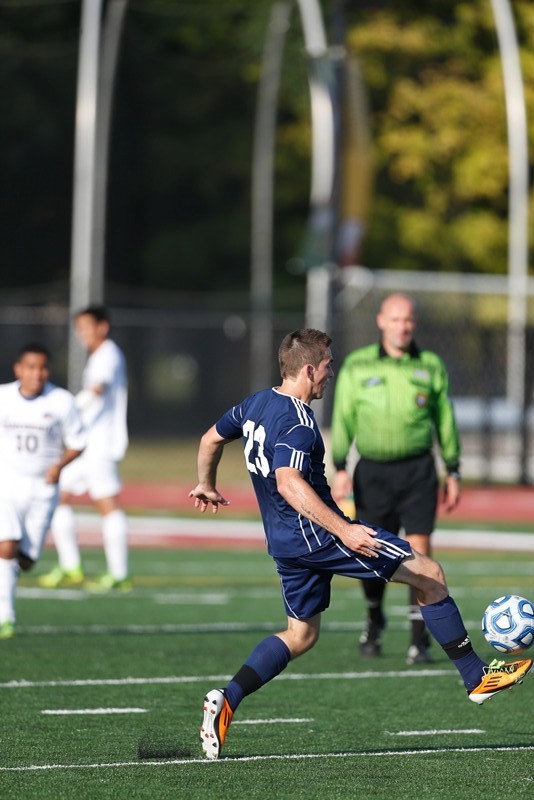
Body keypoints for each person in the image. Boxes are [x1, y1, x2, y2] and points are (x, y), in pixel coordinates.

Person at [189, 328, 532, 760]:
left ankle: (228, 698)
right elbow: (288, 481)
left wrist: (205, 482)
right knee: (430, 575)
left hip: (284, 542)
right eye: (328, 366)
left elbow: (209, 439)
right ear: (310, 369)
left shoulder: (256, 402)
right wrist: (344, 530)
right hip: (319, 536)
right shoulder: (298, 422)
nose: (331, 374)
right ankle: (476, 677)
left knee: (301, 634)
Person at [330, 293, 461, 665]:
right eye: (396, 319)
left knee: (420, 552)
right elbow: (342, 418)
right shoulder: (358, 365)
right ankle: (374, 617)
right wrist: (340, 467)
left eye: (409, 320)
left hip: (419, 471)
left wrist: (452, 468)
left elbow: (446, 421)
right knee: (372, 553)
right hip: (371, 472)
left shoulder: (431, 365)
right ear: (381, 321)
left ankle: (419, 640)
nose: (403, 327)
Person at [39, 305, 130, 592]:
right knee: (59, 496)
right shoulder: (100, 356)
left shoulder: (107, 355)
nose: (82, 336)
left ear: (102, 327)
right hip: (85, 443)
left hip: (99, 444)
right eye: (79, 330)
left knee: (107, 504)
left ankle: (119, 573)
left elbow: (96, 391)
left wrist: (65, 410)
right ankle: (70, 565)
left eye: (85, 329)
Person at [0, 343, 86, 637]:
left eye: (43, 367)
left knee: (26, 560)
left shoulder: (61, 401)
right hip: (7, 484)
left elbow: (78, 442)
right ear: (18, 369)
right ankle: (5, 617)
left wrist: (58, 466)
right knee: (6, 547)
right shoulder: (3, 397)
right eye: (31, 367)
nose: (37, 373)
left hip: (43, 489)